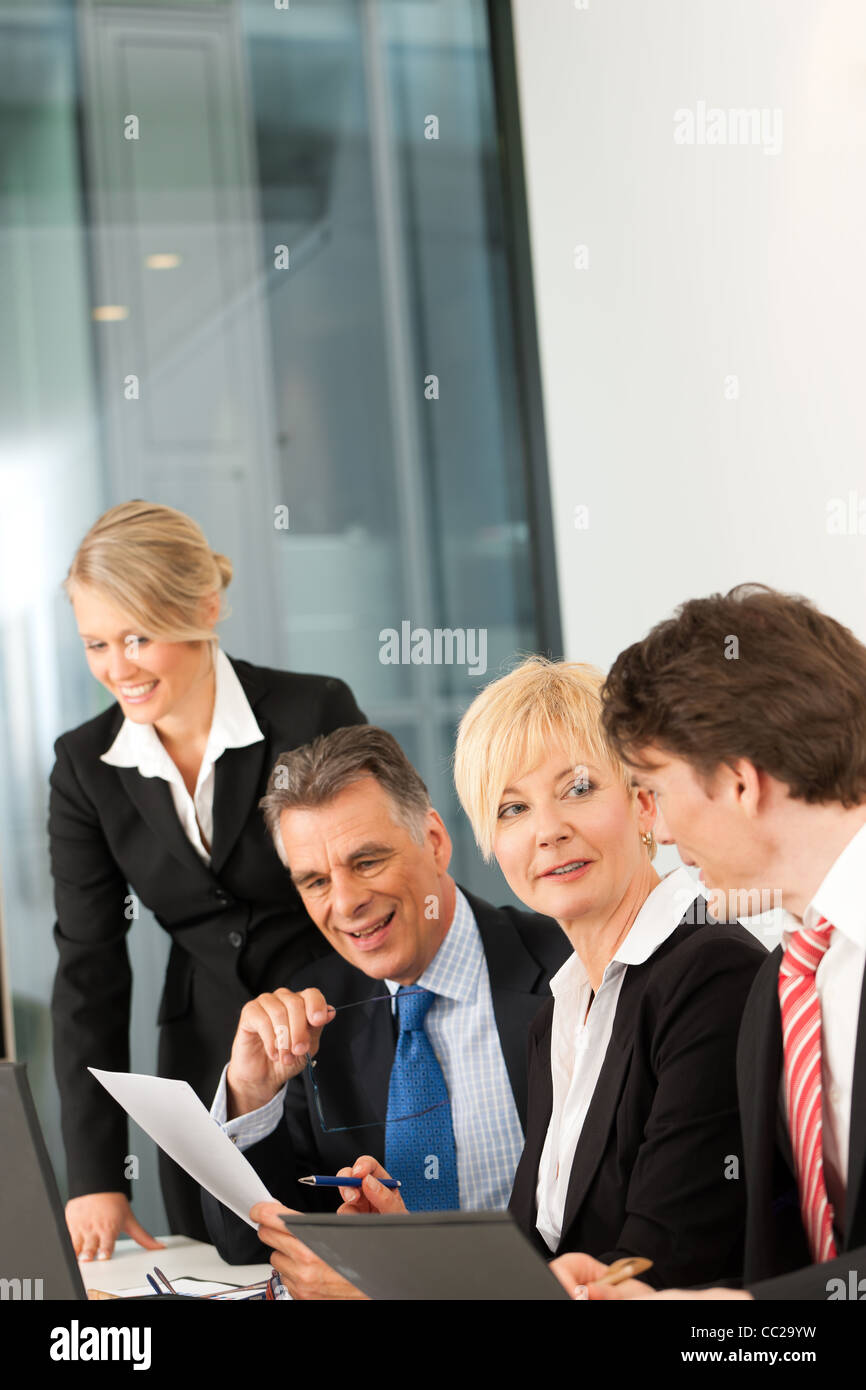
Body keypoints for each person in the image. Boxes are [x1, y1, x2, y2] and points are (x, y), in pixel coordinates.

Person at [256, 658, 767, 1295]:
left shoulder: (711, 973)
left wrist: (394, 1290)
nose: (548, 831)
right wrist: (404, 1248)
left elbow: (649, 1274)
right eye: (513, 808)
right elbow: (541, 1258)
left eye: (579, 788)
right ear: (491, 844)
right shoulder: (564, 1009)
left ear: (644, 803)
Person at [49, 501, 365, 1259]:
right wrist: (96, 1175)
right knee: (222, 1265)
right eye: (96, 643)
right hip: (204, 1068)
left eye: (138, 637)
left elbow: (377, 877)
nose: (118, 667)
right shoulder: (86, 767)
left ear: (204, 608)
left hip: (342, 1031)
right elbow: (89, 969)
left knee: (354, 1261)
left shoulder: (311, 710)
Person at [551, 583, 866, 1301]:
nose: (658, 831)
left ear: (739, 783)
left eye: (656, 791)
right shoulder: (782, 985)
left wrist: (748, 1316)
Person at [200, 724, 569, 1290]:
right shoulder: (315, 1011)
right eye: (316, 881)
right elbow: (245, 1245)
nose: (346, 903)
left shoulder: (569, 969)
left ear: (435, 841)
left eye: (367, 861)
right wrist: (251, 1094)